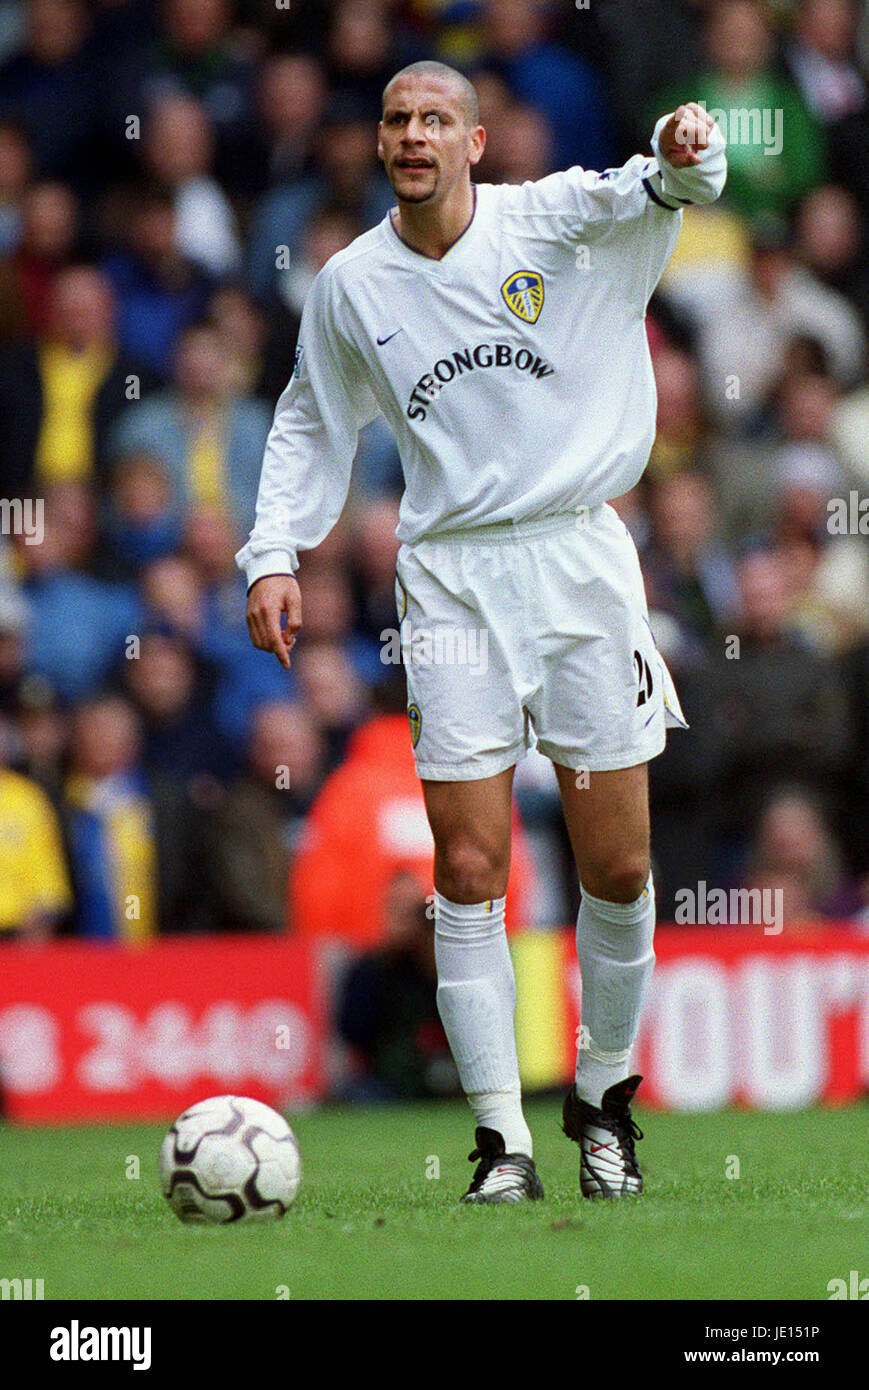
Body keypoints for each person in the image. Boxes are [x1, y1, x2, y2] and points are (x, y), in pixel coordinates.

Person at [238, 61, 727, 1203]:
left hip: (575, 557)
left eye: (434, 121)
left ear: (472, 140)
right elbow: (311, 421)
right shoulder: (352, 284)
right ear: (379, 141)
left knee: (617, 863)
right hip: (449, 576)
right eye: (397, 120)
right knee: (466, 865)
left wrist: (688, 146)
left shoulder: (546, 215)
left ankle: (602, 1100)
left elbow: (660, 185)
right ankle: (499, 1141)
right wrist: (271, 551)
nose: (413, 136)